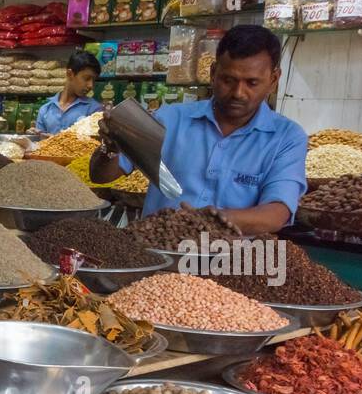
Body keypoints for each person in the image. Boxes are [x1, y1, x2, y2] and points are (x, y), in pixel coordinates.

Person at [89, 25, 307, 236]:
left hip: (229, 263)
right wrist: (110, 148)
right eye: (228, 80)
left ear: (273, 80)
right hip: (156, 256)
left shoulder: (287, 137)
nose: (238, 93)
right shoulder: (170, 118)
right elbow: (100, 176)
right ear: (213, 73)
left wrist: (209, 221)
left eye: (252, 83)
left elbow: (277, 213)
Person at [33, 51, 103, 136]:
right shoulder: (45, 109)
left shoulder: (95, 110)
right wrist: (34, 136)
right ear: (70, 74)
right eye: (87, 78)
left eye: (94, 80)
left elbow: (93, 144)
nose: (91, 85)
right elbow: (39, 146)